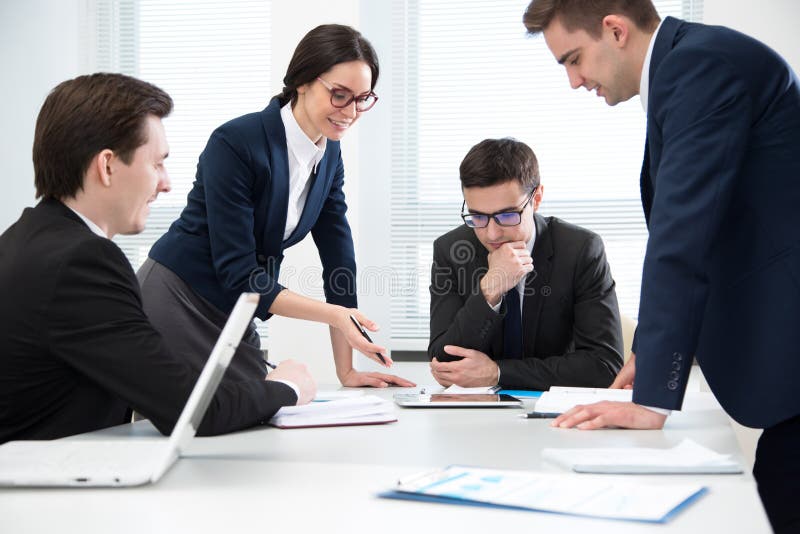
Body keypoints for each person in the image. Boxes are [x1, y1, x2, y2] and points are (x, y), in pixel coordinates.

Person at [523, 1, 800, 530]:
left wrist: (653, 397)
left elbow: (682, 234)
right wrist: (647, 353)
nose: (574, 82)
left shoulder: (701, 68)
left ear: (615, 30)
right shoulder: (686, 68)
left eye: (574, 59)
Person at [0, 73, 316, 445]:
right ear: (107, 166)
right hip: (44, 492)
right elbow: (192, 412)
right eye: (157, 164)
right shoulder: (83, 262)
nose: (165, 183)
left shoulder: (21, 240)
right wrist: (287, 386)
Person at [138, 24, 413, 389]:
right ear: (302, 81)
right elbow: (237, 270)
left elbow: (338, 260)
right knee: (208, 417)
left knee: (254, 411)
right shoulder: (236, 143)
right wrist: (335, 315)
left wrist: (345, 370)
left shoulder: (329, 153)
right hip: (178, 294)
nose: (352, 111)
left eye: (363, 98)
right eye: (340, 95)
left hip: (236, 307)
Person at [428, 138, 623, 390]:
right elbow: (444, 361)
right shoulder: (450, 250)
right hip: (474, 415)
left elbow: (604, 366)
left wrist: (498, 373)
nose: (491, 234)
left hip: (555, 414)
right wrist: (490, 291)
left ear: (537, 198)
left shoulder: (581, 249)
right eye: (477, 217)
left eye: (507, 215)